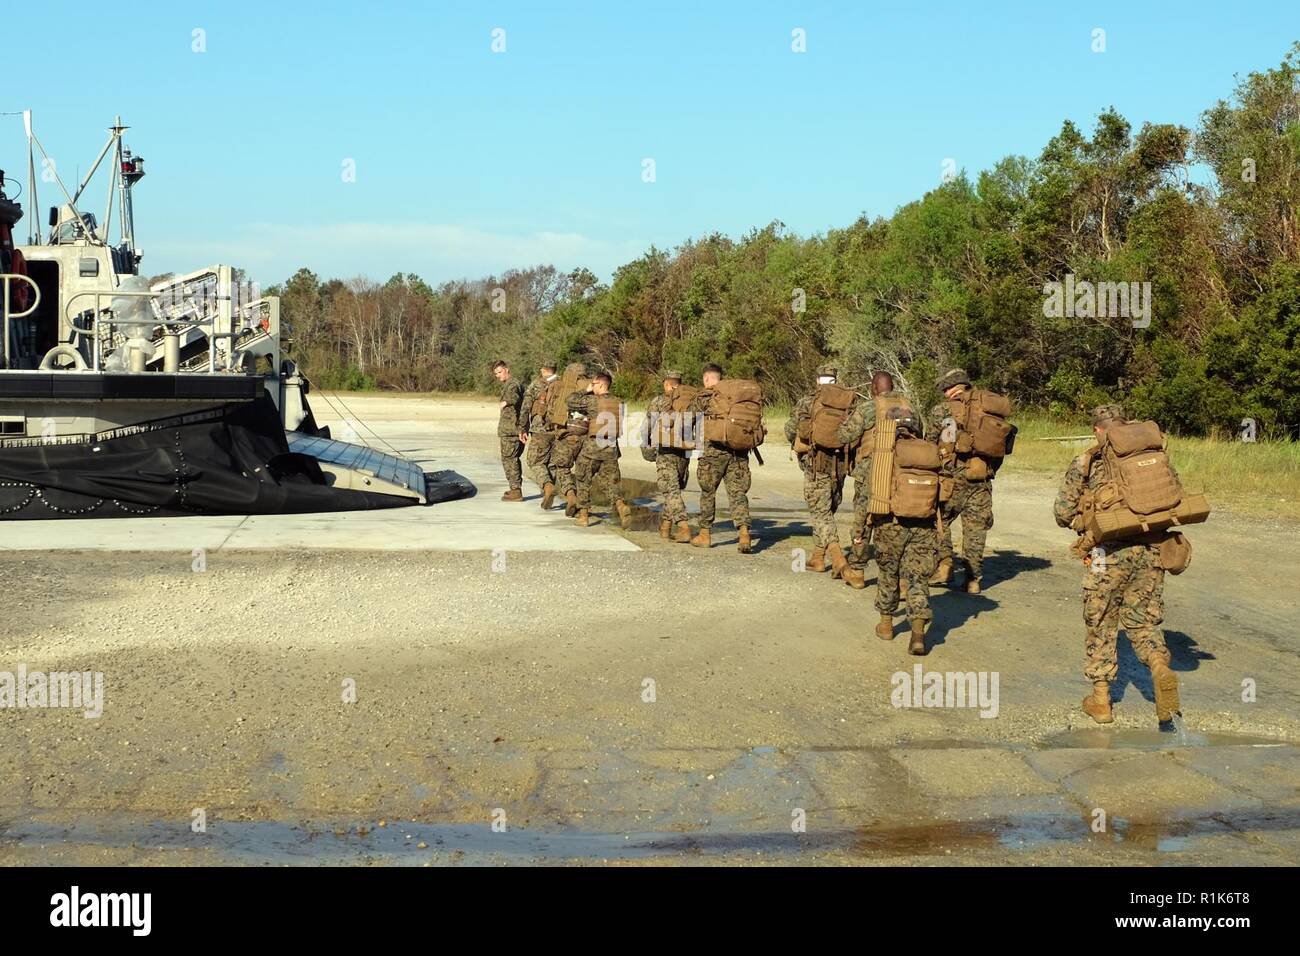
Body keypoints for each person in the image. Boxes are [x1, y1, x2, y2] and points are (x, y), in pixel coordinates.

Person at [1054, 404, 1181, 725]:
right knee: (1144, 622)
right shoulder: (1148, 455)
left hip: (1102, 555)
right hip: (1152, 549)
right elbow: (1173, 492)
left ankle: (1101, 701)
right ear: (1124, 426)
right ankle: (1158, 665)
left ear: (1098, 429)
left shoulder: (1088, 461)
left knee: (1101, 621)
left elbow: (1062, 513)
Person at [785, 364, 862, 587]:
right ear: (835, 379)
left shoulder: (808, 400)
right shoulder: (850, 400)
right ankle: (818, 557)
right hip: (840, 464)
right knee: (828, 509)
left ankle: (839, 561)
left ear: (818, 380)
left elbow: (793, 429)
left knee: (820, 513)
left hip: (816, 464)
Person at [927, 369, 995, 594]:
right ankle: (973, 579)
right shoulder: (988, 408)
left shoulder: (942, 411)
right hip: (981, 477)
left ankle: (945, 565)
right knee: (975, 529)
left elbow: (929, 445)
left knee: (937, 520)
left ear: (950, 388)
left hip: (951, 479)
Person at [836, 371, 907, 579]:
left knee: (863, 517)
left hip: (872, 471)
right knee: (894, 519)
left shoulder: (869, 407)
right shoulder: (908, 406)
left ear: (875, 388)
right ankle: (898, 575)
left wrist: (844, 422)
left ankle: (857, 569)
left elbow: (844, 435)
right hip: (900, 473)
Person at [688, 364, 753, 553]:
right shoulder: (735, 396)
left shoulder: (705, 397)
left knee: (708, 492)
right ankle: (744, 534)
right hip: (738, 452)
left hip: (712, 452)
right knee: (737, 493)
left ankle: (705, 534)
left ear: (707, 378)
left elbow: (689, 416)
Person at [570, 370, 632, 529]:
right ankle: (620, 505)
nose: (593, 385)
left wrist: (587, 389)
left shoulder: (593, 401)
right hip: (610, 448)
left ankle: (583, 515)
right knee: (611, 482)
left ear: (602, 384)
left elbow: (570, 401)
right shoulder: (619, 402)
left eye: (595, 383)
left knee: (583, 478)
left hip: (593, 447)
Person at [643, 370, 692, 542]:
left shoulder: (658, 401)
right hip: (684, 452)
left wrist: (647, 450)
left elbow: (648, 426)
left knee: (671, 491)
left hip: (664, 451)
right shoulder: (690, 401)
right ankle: (665, 527)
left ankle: (683, 526)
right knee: (674, 490)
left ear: (666, 383)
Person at [548, 362, 589, 517]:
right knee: (582, 472)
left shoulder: (563, 387)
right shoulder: (592, 387)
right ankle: (582, 507)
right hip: (586, 435)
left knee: (562, 468)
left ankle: (570, 495)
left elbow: (552, 409)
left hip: (567, 434)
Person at [520, 360, 560, 509]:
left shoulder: (537, 384)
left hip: (540, 429)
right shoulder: (564, 384)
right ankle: (547, 495)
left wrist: (522, 428)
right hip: (559, 430)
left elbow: (525, 407)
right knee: (552, 464)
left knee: (534, 461)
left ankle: (547, 487)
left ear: (543, 370)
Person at [492, 360, 525, 501]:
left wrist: (506, 402)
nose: (497, 376)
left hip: (511, 430)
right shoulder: (510, 384)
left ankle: (516, 490)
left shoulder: (513, 384)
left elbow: (515, 397)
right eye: (496, 373)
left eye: (499, 372)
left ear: (507, 370)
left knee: (509, 459)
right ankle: (515, 488)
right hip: (511, 429)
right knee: (511, 459)